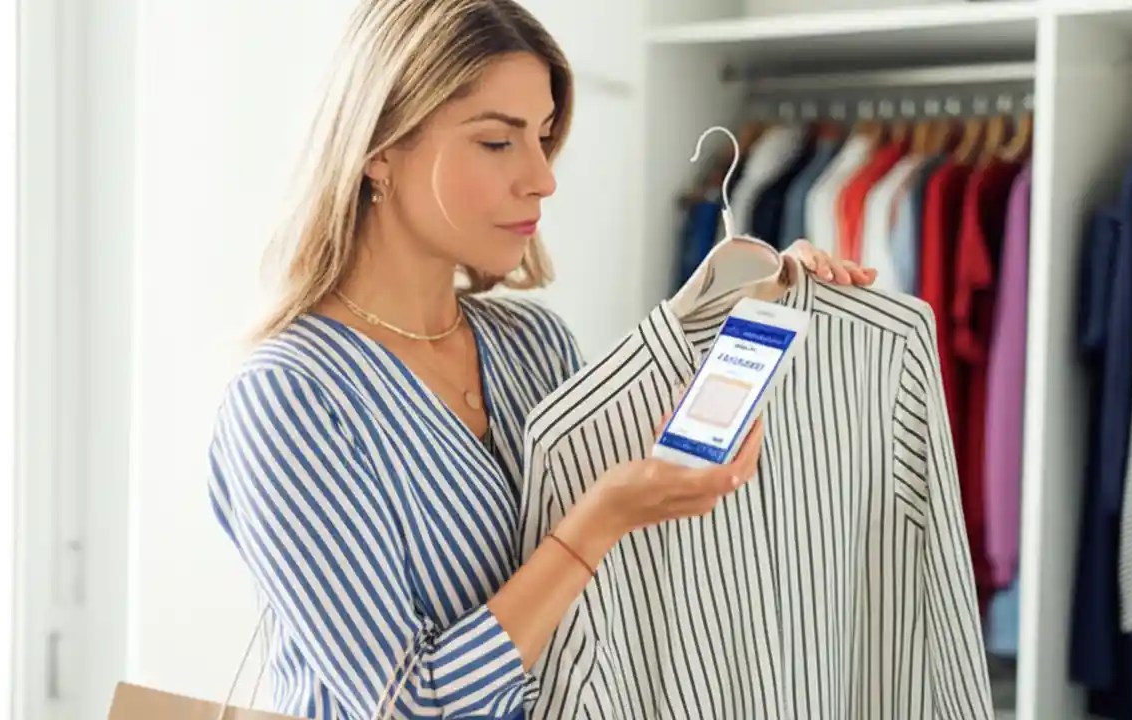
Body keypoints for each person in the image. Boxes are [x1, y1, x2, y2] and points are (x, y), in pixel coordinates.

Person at [206, 1, 876, 718]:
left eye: (544, 137)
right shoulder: (290, 398)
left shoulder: (534, 345)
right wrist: (598, 524)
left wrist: (775, 309)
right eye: (498, 142)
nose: (542, 177)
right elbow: (408, 703)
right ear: (379, 148)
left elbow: (632, 597)